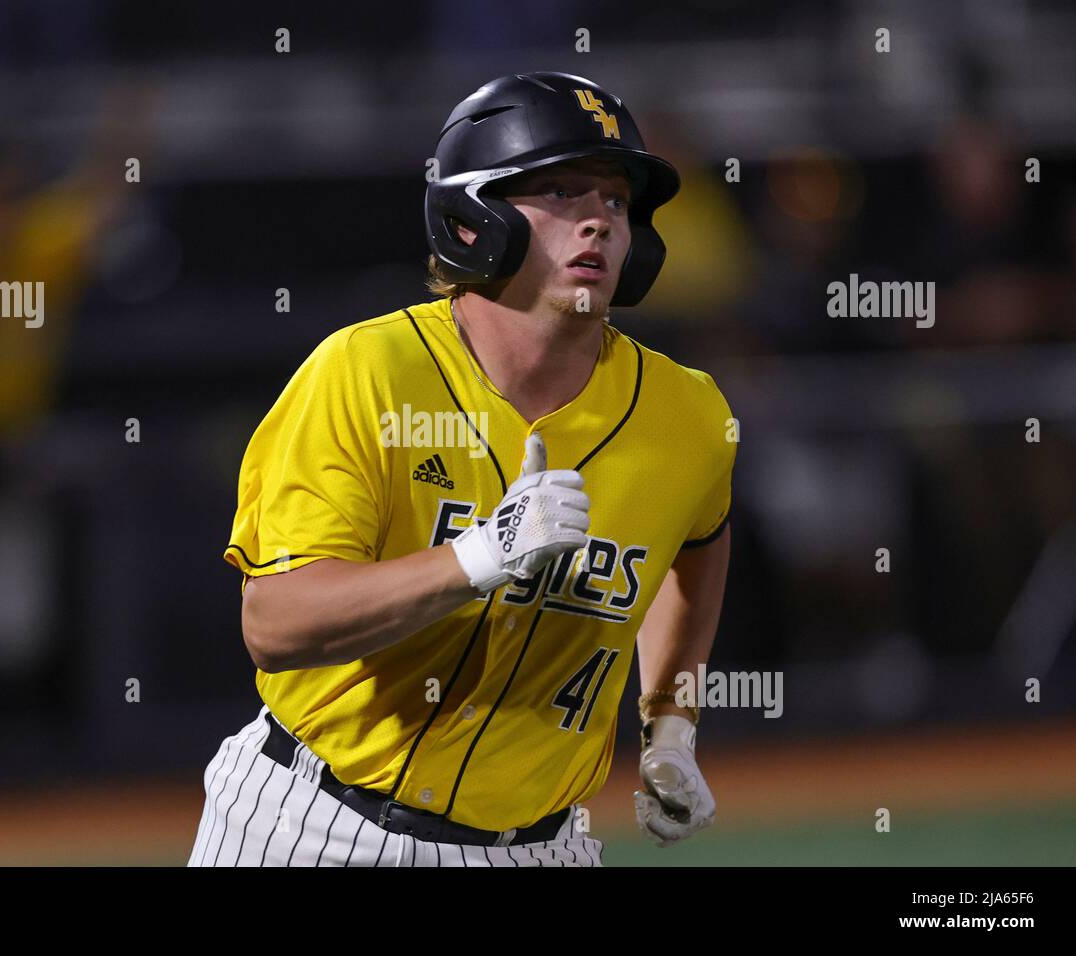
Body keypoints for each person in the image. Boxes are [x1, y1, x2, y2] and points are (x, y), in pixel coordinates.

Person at [189, 72, 734, 867]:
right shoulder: (368, 371)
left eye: (617, 201)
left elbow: (700, 545)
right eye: (561, 191)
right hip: (313, 823)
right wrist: (481, 555)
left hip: (540, 849)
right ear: (475, 216)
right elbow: (275, 624)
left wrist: (671, 725)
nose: (598, 220)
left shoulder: (687, 415)